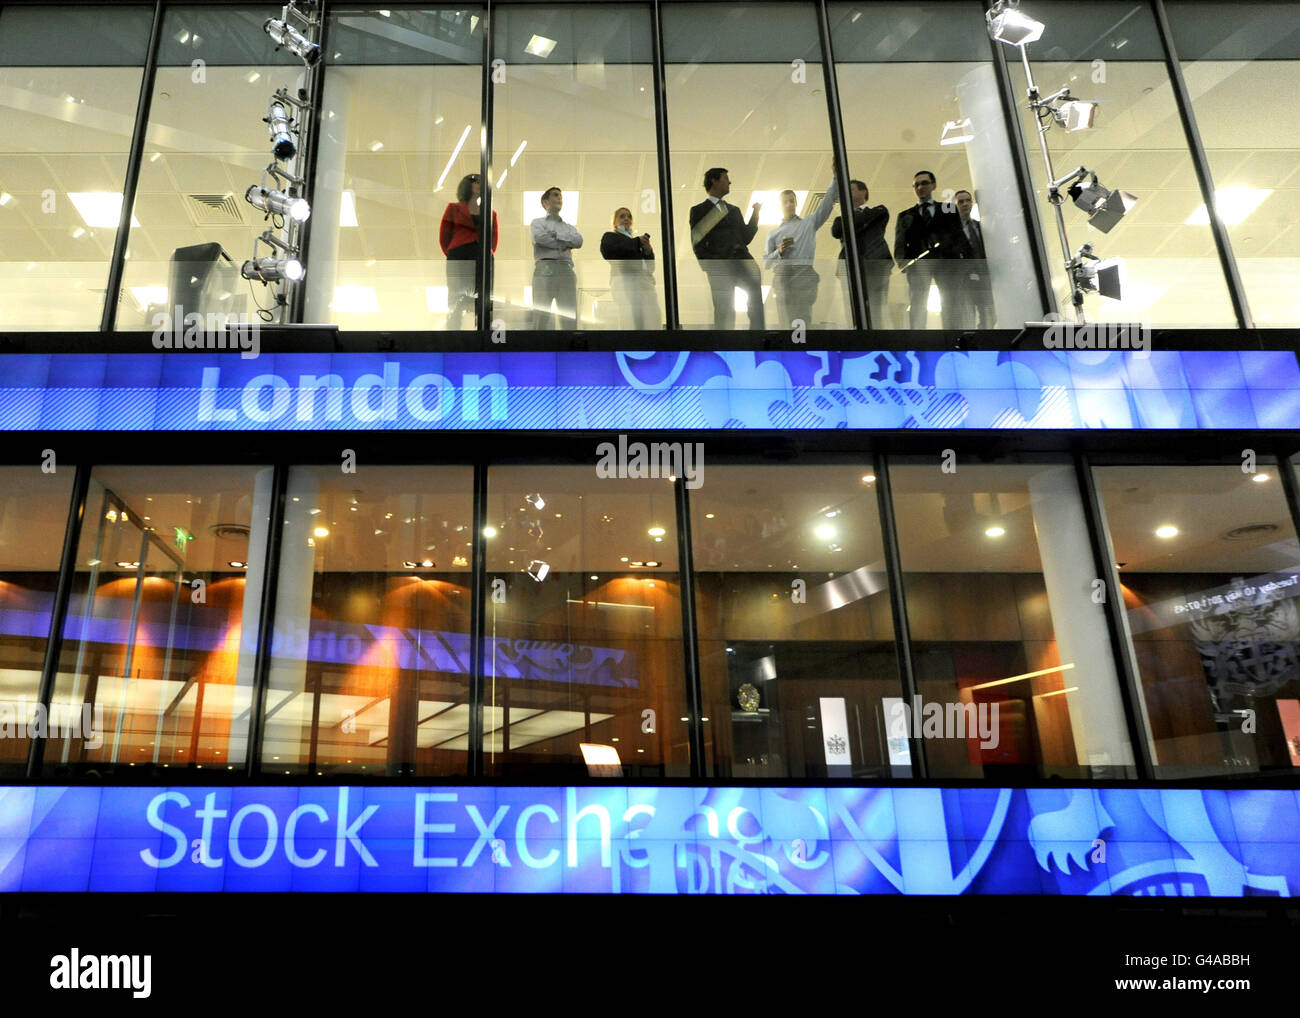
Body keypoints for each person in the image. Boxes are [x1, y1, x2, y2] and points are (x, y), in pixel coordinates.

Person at [689, 167, 764, 330]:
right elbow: (698, 243)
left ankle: (758, 335)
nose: (729, 182)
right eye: (725, 178)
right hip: (720, 265)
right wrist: (711, 266)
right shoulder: (699, 210)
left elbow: (746, 237)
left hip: (742, 261)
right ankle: (724, 341)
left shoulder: (734, 211)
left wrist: (756, 214)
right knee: (725, 308)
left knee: (756, 300)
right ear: (714, 181)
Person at [893, 170, 967, 329]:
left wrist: (962, 262)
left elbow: (958, 235)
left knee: (950, 301)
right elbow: (900, 243)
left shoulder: (948, 209)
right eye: (916, 185)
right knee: (918, 302)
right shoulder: (905, 215)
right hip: (918, 264)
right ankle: (918, 339)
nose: (920, 187)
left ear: (934, 185)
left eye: (924, 183)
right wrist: (904, 264)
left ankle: (952, 335)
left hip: (947, 263)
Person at [762, 175, 836, 329]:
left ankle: (800, 346)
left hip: (804, 274)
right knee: (786, 321)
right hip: (783, 276)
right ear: (779, 206)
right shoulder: (773, 234)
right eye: (785, 202)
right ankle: (791, 348)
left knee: (802, 318)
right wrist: (780, 251)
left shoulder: (809, 223)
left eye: (792, 201)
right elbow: (766, 264)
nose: (789, 204)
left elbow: (826, 205)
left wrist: (835, 179)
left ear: (796, 203)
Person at [439, 173, 498, 330]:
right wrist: (456, 252)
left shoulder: (490, 213)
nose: (480, 185)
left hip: (483, 256)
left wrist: (486, 253)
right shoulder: (453, 208)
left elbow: (493, 239)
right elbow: (444, 237)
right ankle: (454, 330)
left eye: (482, 183)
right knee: (457, 294)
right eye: (476, 182)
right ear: (468, 186)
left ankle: (483, 330)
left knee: (484, 295)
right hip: (460, 255)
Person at [831, 179, 892, 328]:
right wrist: (863, 222)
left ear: (863, 192)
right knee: (852, 308)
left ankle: (876, 341)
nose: (847, 193)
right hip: (849, 267)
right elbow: (836, 231)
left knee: (876, 307)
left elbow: (872, 218)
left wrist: (852, 223)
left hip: (876, 266)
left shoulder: (879, 211)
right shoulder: (840, 219)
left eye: (851, 189)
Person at [529, 186, 583, 330]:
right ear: (545, 201)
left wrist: (555, 235)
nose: (560, 198)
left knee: (569, 317)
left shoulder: (569, 227)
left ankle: (570, 350)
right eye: (555, 195)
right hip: (544, 269)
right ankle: (539, 348)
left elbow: (578, 242)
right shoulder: (537, 223)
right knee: (541, 316)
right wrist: (565, 243)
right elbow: (539, 238)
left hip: (566, 269)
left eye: (560, 196)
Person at [600, 207, 657, 329]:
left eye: (629, 216)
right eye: (622, 216)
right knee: (630, 317)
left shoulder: (635, 242)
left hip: (644, 284)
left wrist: (648, 251)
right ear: (614, 222)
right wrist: (637, 242)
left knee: (649, 318)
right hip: (625, 281)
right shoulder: (610, 237)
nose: (626, 218)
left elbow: (651, 268)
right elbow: (609, 252)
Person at [955, 189, 996, 329]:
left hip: (984, 279)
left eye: (968, 200)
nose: (965, 204)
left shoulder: (981, 227)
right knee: (968, 317)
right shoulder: (951, 230)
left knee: (990, 315)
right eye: (961, 202)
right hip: (964, 280)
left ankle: (984, 340)